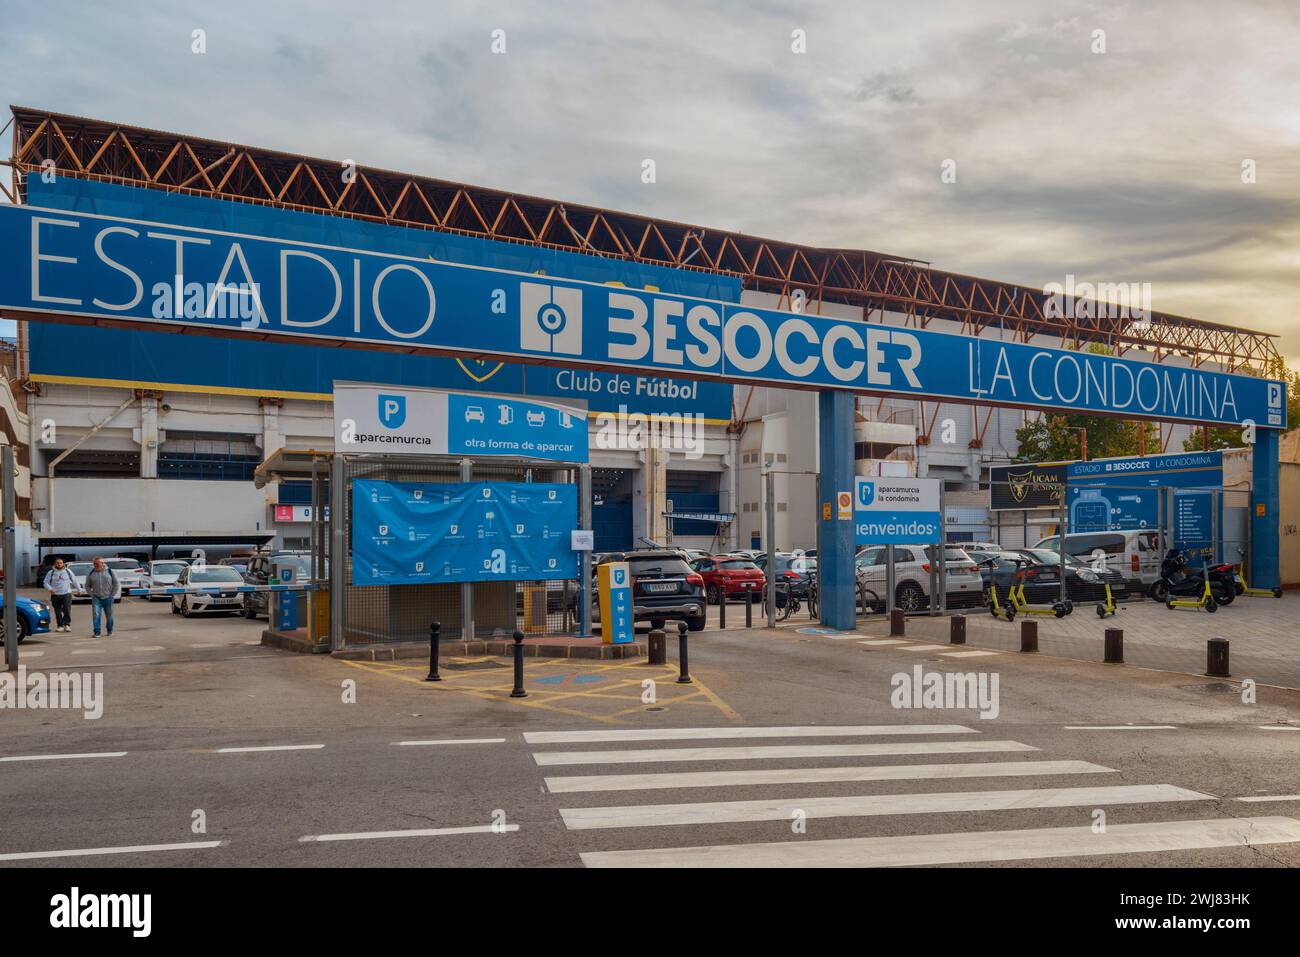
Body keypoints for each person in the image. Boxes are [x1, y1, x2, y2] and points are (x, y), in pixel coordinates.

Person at [85, 557, 119, 638]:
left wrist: (112, 595)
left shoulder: (110, 572)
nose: (95, 565)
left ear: (102, 563)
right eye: (94, 563)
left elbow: (116, 584)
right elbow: (87, 586)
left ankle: (110, 630)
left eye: (97, 563)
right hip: (96, 598)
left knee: (110, 616)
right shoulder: (91, 573)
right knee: (96, 615)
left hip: (108, 597)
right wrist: (92, 595)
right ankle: (97, 632)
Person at [43, 557, 75, 632]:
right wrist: (50, 589)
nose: (59, 564)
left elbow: (74, 580)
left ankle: (67, 624)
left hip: (66, 594)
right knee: (57, 611)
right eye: (57, 563)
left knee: (67, 609)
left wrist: (79, 589)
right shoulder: (51, 572)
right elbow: (45, 582)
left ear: (63, 564)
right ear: (55, 564)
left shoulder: (68, 571)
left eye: (60, 563)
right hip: (55, 595)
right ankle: (60, 625)